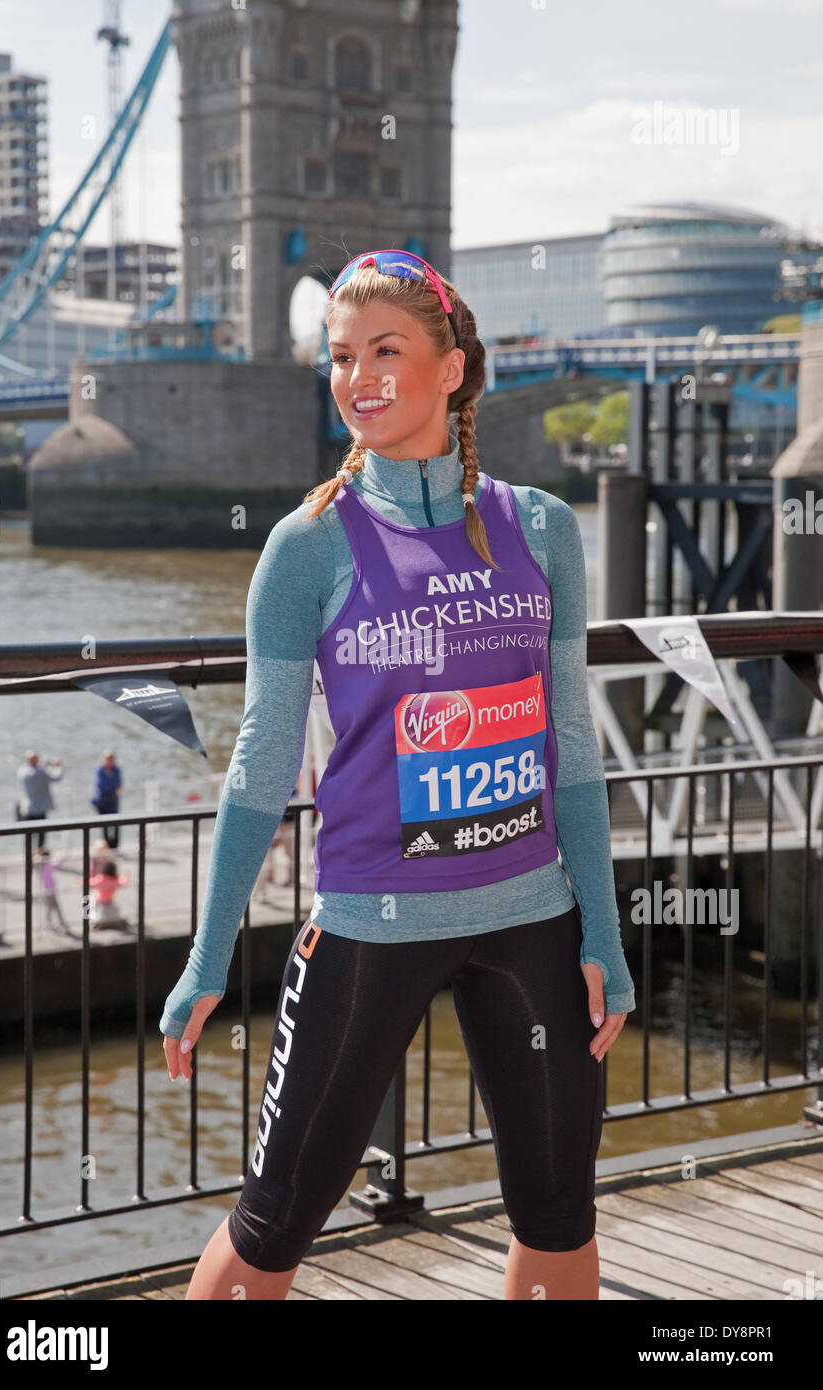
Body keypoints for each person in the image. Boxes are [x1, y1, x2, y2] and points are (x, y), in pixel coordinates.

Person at [159, 249, 636, 1303]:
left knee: (557, 1217)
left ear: (451, 369)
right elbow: (259, 762)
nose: (357, 377)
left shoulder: (542, 528)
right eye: (339, 357)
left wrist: (599, 930)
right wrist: (205, 958)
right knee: (271, 1228)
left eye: (386, 351)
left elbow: (567, 741)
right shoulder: (306, 545)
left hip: (532, 922)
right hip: (369, 924)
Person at [16, 750, 64, 849]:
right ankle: (39, 855)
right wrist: (59, 766)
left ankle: (28, 855)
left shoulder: (22, 771)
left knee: (28, 835)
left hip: (26, 809)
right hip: (39, 809)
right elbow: (56, 778)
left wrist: (42, 766)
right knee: (41, 836)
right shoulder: (39, 773)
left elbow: (32, 770)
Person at [91, 750, 123, 849]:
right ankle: (106, 846)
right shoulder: (100, 771)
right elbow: (101, 786)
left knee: (116, 824)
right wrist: (113, 787)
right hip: (102, 802)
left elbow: (119, 785)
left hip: (113, 802)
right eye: (108, 759)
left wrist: (113, 787)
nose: (109, 761)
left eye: (111, 759)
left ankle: (115, 846)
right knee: (104, 825)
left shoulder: (116, 770)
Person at [33, 847, 70, 933]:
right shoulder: (47, 865)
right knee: (53, 907)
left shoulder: (39, 867)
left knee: (52, 907)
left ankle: (57, 922)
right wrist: (64, 857)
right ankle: (55, 923)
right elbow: (57, 862)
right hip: (50, 890)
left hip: (47, 890)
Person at [87, 858, 129, 930]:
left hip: (98, 899)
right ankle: (111, 923)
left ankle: (96, 924)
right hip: (109, 900)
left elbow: (91, 883)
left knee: (97, 914)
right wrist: (126, 876)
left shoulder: (101, 878)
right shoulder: (115, 880)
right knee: (112, 913)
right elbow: (122, 883)